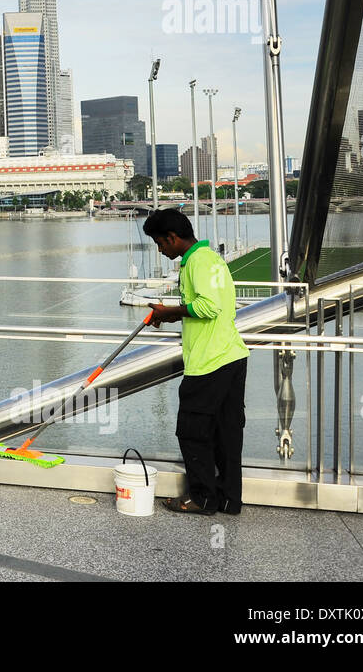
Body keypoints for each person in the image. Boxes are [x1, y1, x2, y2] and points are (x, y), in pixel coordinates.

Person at [142, 208, 248, 515]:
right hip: (232, 356)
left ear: (173, 238)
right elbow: (208, 305)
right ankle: (228, 499)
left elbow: (208, 306)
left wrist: (171, 313)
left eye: (160, 243)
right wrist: (172, 313)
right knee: (226, 432)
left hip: (209, 361)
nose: (160, 250)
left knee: (192, 430)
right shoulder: (211, 259)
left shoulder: (197, 263)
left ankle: (202, 497)